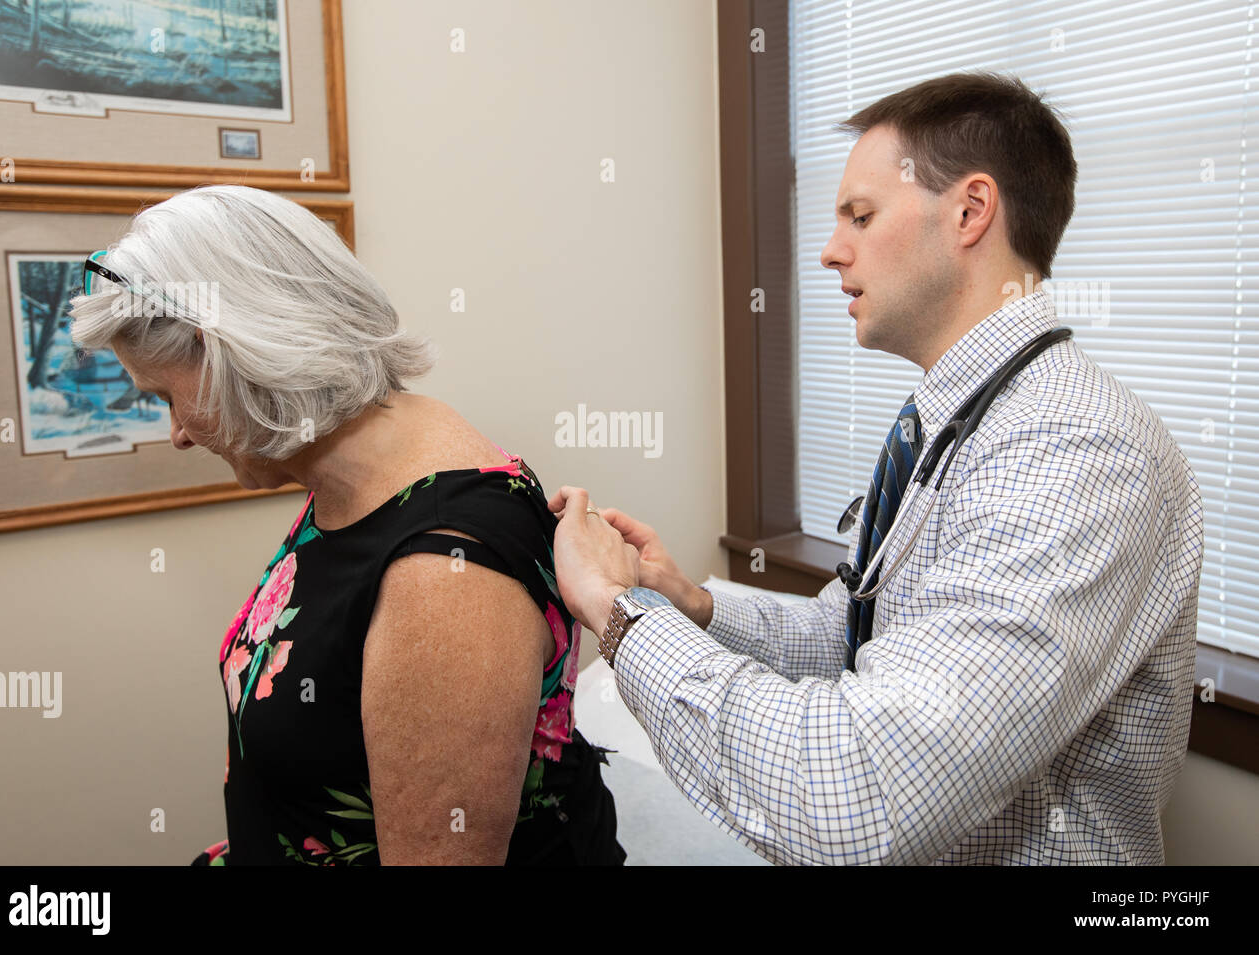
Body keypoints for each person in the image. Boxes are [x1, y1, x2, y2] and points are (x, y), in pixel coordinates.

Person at [547, 72, 1205, 865]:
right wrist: (687, 605)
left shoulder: (1076, 452)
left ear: (969, 211)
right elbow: (853, 634)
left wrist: (618, 614)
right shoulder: (951, 417)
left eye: (861, 215)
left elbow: (859, 798)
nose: (831, 251)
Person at [68, 184, 626, 866]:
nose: (178, 432)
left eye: (167, 396)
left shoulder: (444, 574)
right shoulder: (356, 477)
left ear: (232, 355)